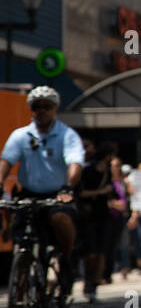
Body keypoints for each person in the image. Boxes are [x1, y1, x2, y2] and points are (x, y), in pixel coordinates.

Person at [0, 86, 84, 295]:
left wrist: (67, 187)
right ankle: (19, 298)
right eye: (37, 107)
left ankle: (66, 259)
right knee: (21, 243)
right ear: (31, 110)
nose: (42, 111)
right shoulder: (20, 135)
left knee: (61, 219)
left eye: (47, 106)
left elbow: (75, 163)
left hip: (57, 194)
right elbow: (6, 160)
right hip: (28, 193)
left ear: (54, 109)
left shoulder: (67, 135)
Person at [79, 141, 116, 304]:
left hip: (104, 215)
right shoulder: (87, 170)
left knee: (101, 251)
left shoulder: (108, 171)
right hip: (89, 216)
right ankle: (88, 281)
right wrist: (100, 191)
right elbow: (81, 193)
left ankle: (94, 283)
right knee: (91, 252)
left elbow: (111, 192)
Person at [104, 155, 132, 282]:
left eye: (117, 165)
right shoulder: (106, 181)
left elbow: (130, 198)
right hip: (109, 217)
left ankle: (124, 269)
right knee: (109, 245)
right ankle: (107, 273)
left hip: (122, 216)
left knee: (124, 244)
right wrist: (115, 204)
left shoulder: (124, 181)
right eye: (112, 165)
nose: (115, 168)